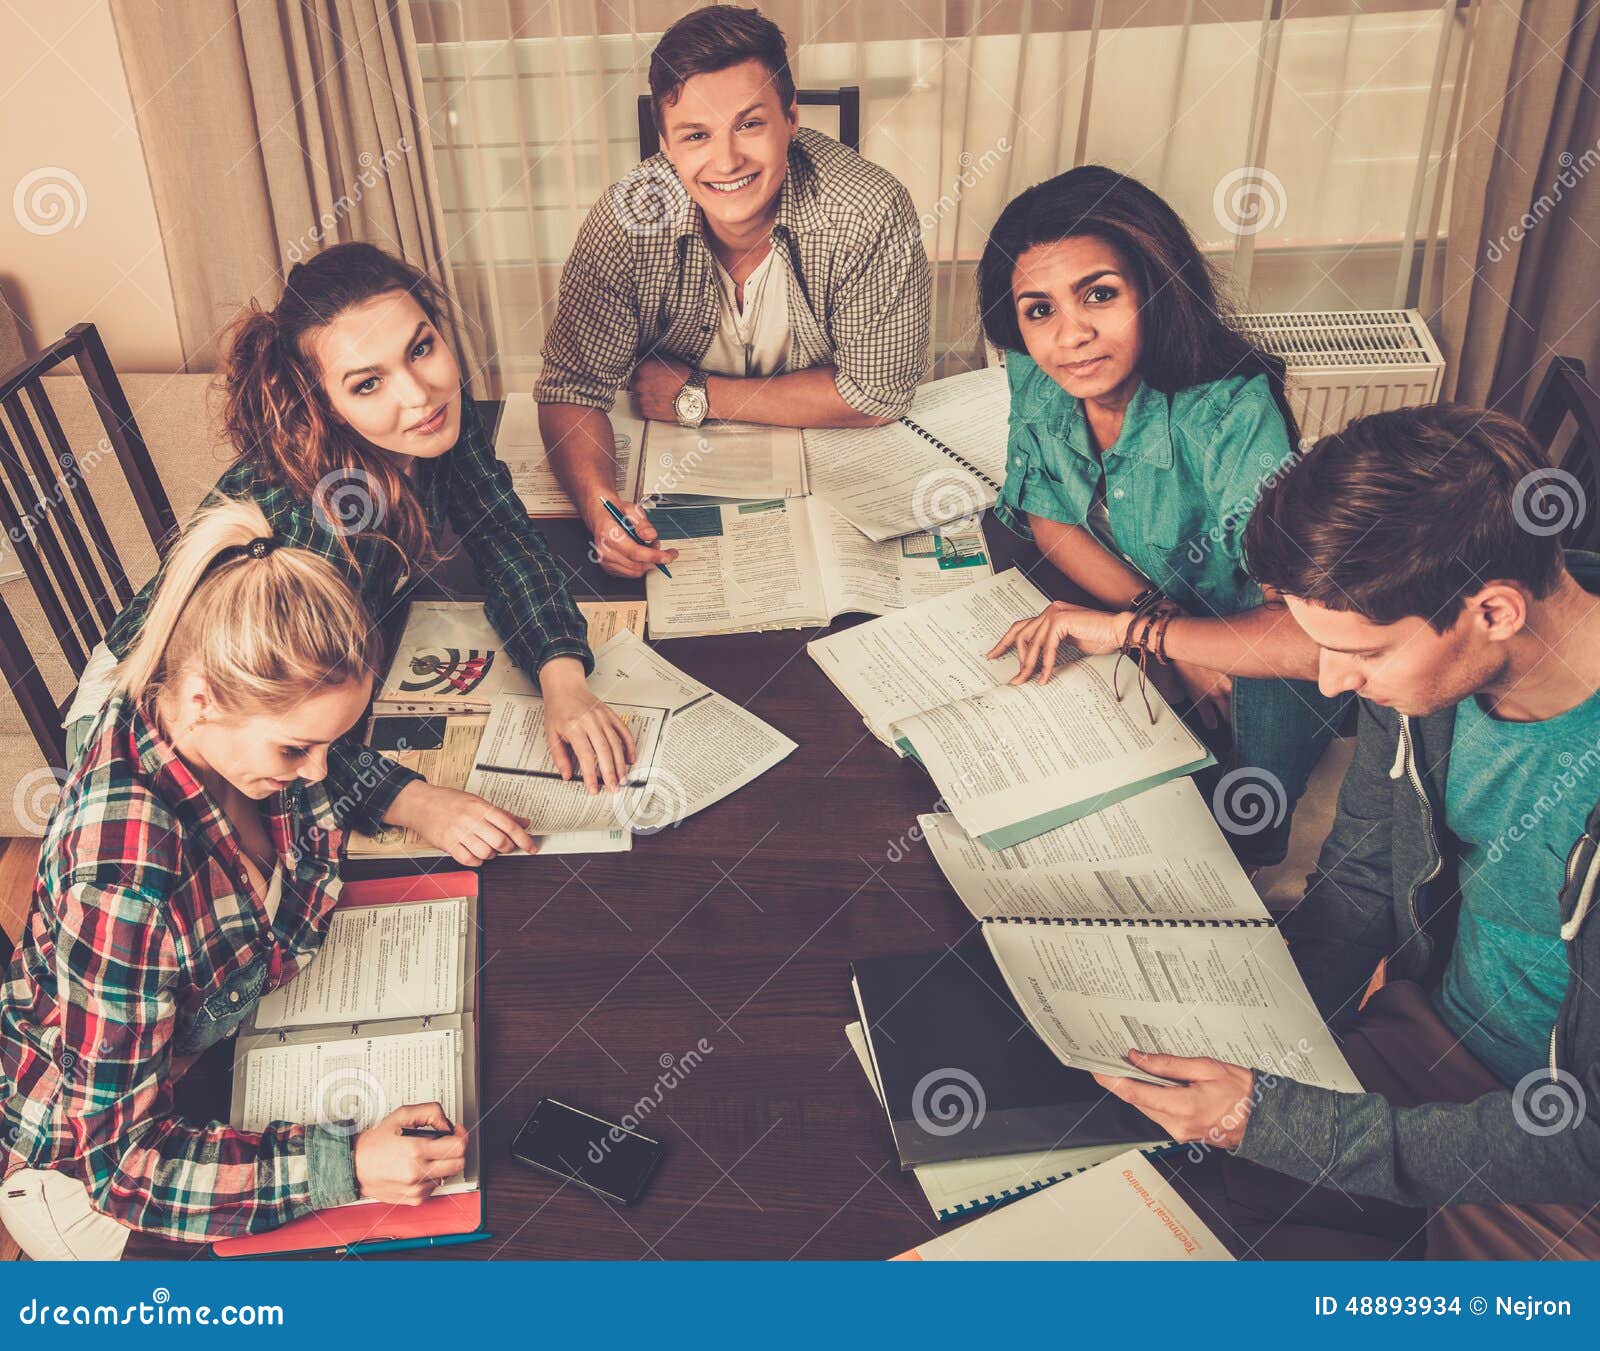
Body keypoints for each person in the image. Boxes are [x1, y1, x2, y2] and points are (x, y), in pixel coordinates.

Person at [1093, 404, 1600, 1260]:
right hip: (1430, 1037)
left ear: (1497, 611)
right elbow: (1359, 884)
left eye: (1360, 654)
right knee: (1141, 1181)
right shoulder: (1426, 682)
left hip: (1559, 1147)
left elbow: (1583, 1144)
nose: (1331, 681)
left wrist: (1281, 1119)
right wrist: (1255, 1032)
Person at [0, 500, 468, 1258]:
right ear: (201, 701)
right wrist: (344, 1162)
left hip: (231, 1036)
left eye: (332, 744)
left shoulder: (219, 719)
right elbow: (118, 1162)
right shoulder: (124, 882)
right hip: (96, 1176)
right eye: (296, 752)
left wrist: (407, 795)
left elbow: (302, 761)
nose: (321, 774)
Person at [72, 242, 637, 868]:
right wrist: (418, 803)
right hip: (158, 713)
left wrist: (563, 678)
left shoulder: (433, 421)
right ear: (325, 405)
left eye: (421, 348)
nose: (419, 394)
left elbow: (501, 532)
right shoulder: (317, 516)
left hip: (281, 699)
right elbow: (278, 716)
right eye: (368, 383)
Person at [979, 166, 1345, 864]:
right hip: (1170, 634)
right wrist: (1159, 627)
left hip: (1267, 675)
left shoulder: (1231, 414)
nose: (1070, 335)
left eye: (1100, 295)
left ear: (1156, 285)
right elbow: (1046, 513)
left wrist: (1163, 639)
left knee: (1230, 834)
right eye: (1039, 309)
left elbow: (1312, 640)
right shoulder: (1039, 369)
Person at [536, 4, 931, 579]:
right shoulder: (623, 221)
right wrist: (599, 506)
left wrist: (697, 396)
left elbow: (879, 394)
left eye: (749, 124)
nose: (726, 161)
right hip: (673, 482)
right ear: (666, 144)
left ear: (791, 118)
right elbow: (570, 385)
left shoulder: (869, 211)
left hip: (834, 480)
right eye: (696, 135)